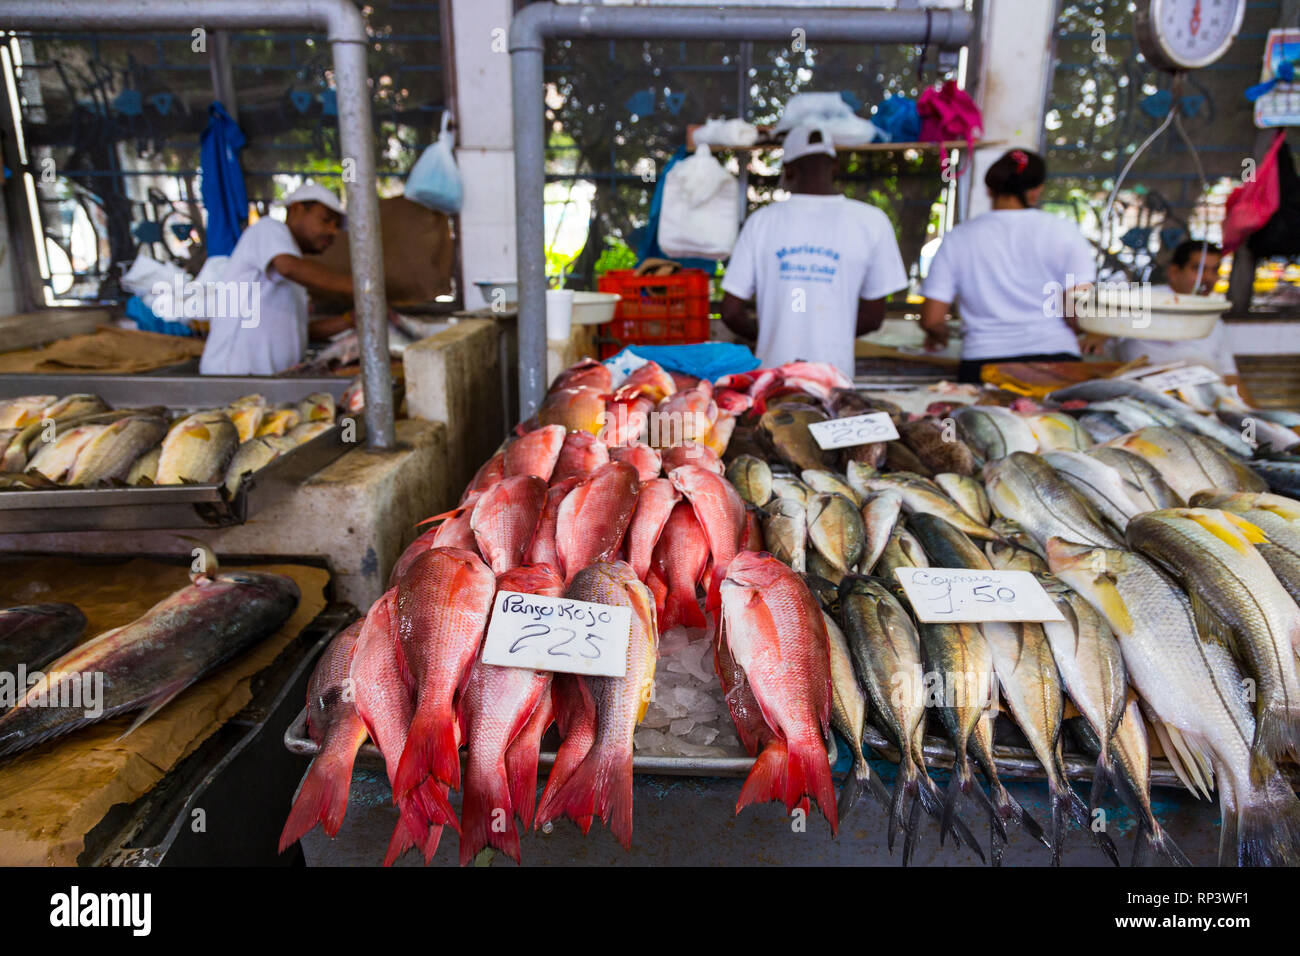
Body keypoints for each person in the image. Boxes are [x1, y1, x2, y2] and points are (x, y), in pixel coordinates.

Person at [720, 124, 908, 379]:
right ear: (835, 167)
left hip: (773, 381)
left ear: (788, 170)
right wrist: (830, 332)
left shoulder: (761, 222)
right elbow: (873, 318)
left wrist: (773, 333)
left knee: (772, 421)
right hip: (835, 381)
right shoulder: (871, 221)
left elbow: (731, 312)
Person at [920, 148, 1096, 383]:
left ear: (990, 189)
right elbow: (1077, 311)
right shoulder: (1064, 232)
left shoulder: (959, 238)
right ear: (1035, 191)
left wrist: (939, 336)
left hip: (984, 363)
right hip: (1057, 362)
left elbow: (932, 319)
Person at [200, 183, 354, 375]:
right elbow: (288, 267)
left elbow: (301, 331)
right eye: (326, 220)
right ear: (297, 208)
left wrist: (351, 320)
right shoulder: (268, 229)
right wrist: (363, 288)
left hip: (268, 384)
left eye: (337, 226)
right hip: (233, 377)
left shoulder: (292, 268)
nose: (334, 231)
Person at [1109, 240, 1246, 394]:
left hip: (1201, 400)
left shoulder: (1213, 320)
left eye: (1214, 270)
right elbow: (1107, 321)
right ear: (1174, 272)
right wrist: (1096, 336)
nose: (1208, 278)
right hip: (1145, 395)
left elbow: (1230, 376)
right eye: (1198, 269)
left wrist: (1251, 415)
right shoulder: (1146, 299)